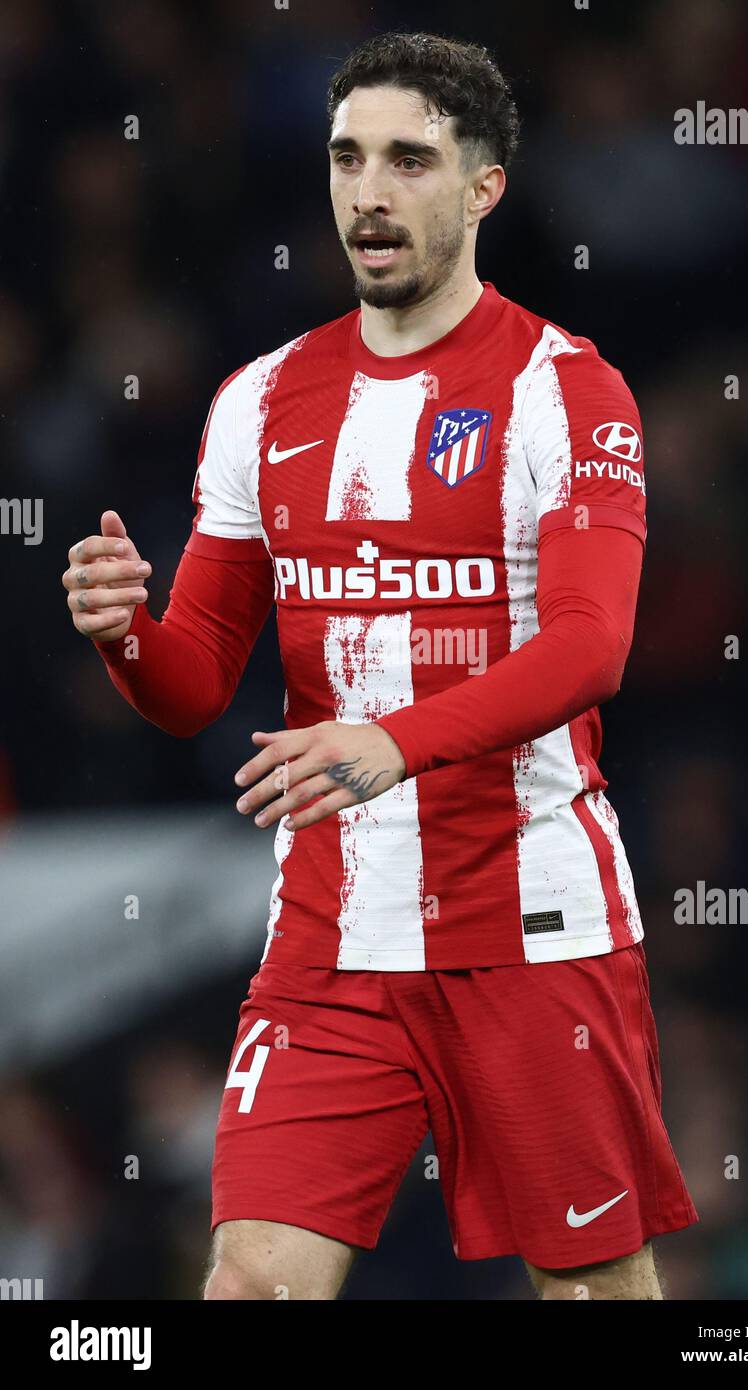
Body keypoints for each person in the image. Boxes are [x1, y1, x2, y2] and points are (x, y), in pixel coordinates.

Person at [61, 31, 697, 1300]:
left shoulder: (566, 392)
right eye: (348, 157)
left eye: (409, 159)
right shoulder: (262, 399)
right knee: (247, 1280)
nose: (368, 191)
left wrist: (390, 741)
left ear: (482, 186)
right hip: (332, 937)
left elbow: (590, 644)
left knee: (587, 1289)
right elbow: (193, 680)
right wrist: (127, 632)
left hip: (530, 926)